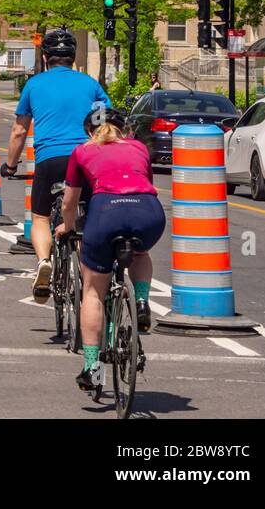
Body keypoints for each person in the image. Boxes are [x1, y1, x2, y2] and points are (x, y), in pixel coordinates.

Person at [56, 107, 165, 393]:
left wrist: (67, 227)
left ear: (88, 132)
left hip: (106, 213)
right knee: (140, 253)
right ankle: (141, 301)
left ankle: (92, 368)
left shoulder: (82, 151)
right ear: (124, 129)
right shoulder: (138, 147)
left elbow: (69, 203)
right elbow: (146, 184)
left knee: (93, 291)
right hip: (148, 212)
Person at [2, 28, 110, 303]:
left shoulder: (34, 85)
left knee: (40, 217)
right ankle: (86, 270)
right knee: (87, 215)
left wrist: (10, 165)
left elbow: (18, 131)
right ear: (73, 57)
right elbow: (104, 123)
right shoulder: (91, 85)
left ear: (45, 56)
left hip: (50, 159)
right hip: (86, 159)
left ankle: (43, 261)